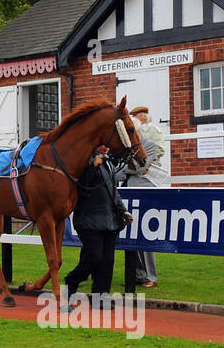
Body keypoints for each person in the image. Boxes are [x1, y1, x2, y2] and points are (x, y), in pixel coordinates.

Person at [64, 146, 132, 304]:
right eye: (102, 144)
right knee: (94, 257)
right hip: (88, 219)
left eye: (107, 144)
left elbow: (113, 192)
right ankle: (71, 281)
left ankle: (101, 298)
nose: (106, 147)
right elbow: (80, 187)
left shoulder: (109, 163)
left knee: (107, 261)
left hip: (109, 221)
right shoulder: (84, 160)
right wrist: (91, 167)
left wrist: (123, 211)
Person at [120, 106, 164, 288]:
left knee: (144, 234)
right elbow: (128, 168)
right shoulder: (129, 147)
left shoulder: (150, 146)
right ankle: (137, 274)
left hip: (144, 191)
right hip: (129, 191)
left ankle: (151, 276)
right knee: (130, 234)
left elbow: (138, 167)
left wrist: (122, 171)